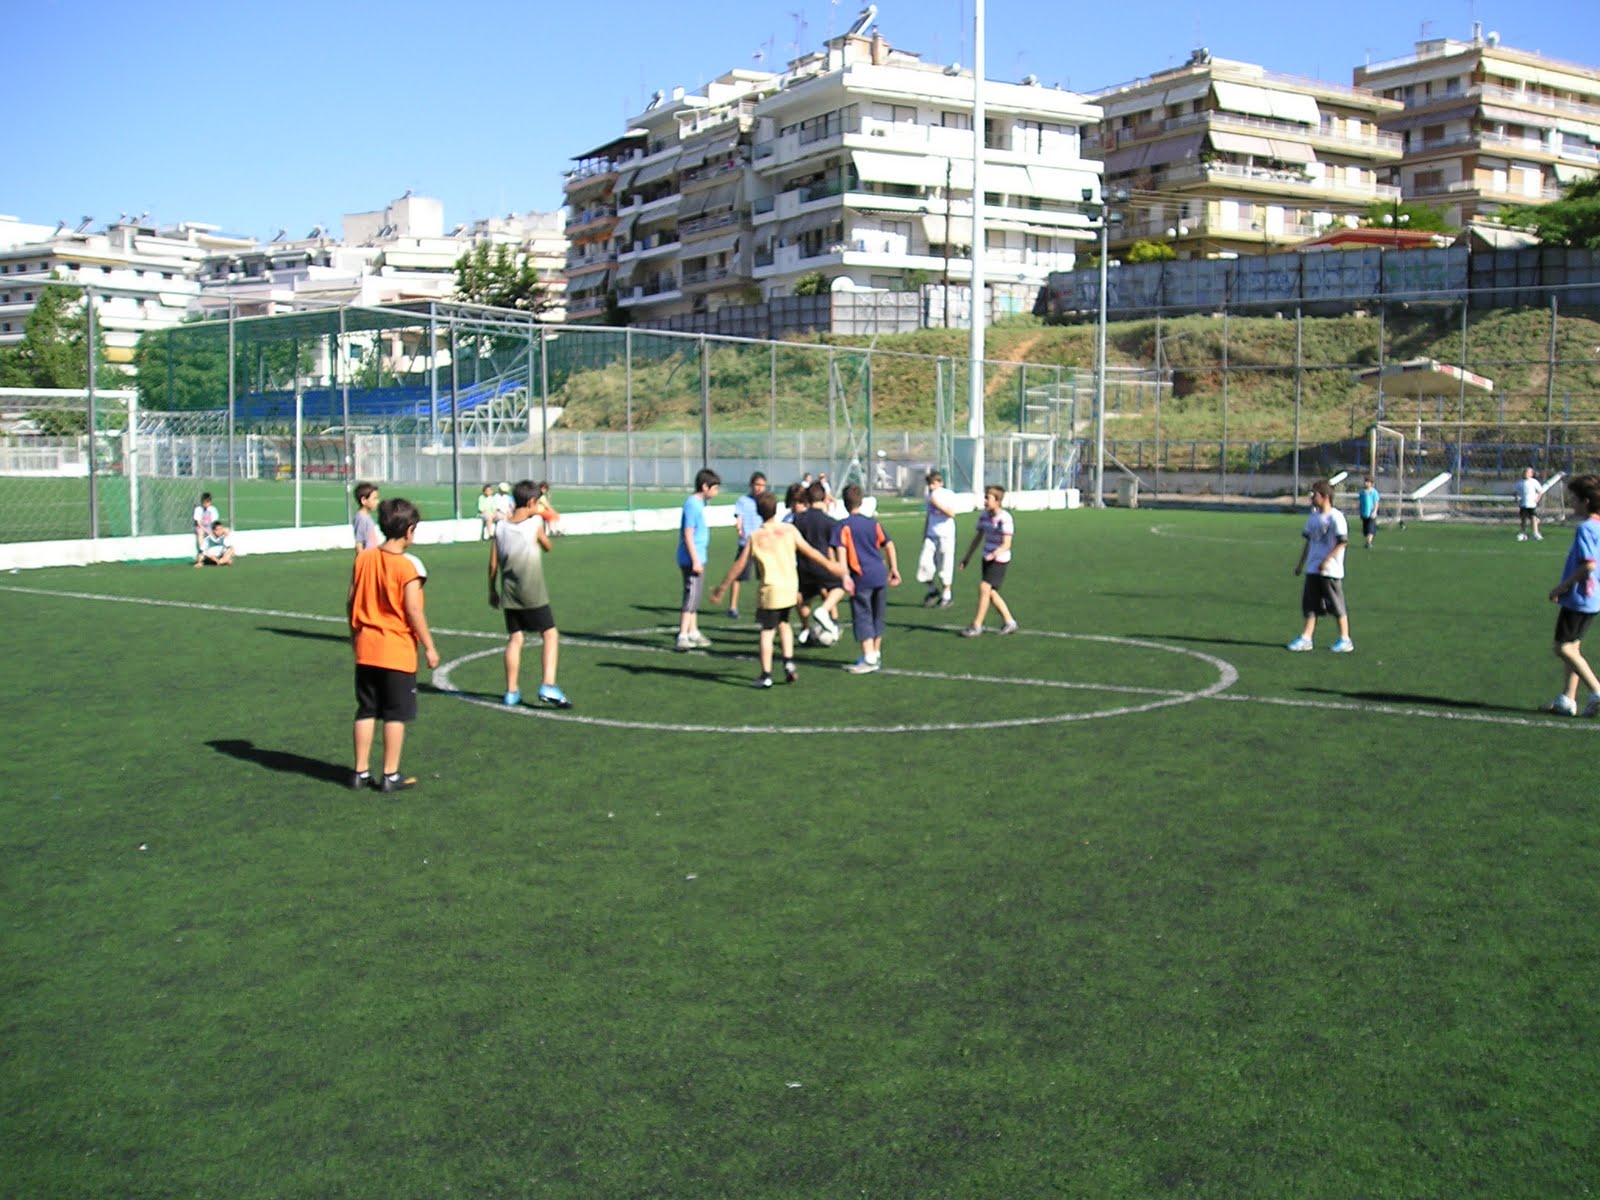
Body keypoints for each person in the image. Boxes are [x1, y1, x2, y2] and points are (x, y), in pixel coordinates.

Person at [711, 490, 851, 687]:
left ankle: (766, 674)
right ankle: (789, 664)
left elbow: (739, 566)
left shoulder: (756, 536)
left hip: (770, 590)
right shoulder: (789, 530)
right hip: (789, 588)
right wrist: (832, 567)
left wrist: (722, 587)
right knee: (784, 624)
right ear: (776, 509)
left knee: (767, 631)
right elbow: (811, 552)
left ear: (759, 512)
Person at [347, 497, 440, 793]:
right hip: (396, 651)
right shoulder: (406, 568)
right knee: (395, 714)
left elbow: (351, 601)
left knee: (365, 710)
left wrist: (354, 635)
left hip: (366, 647)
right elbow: (413, 610)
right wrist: (429, 645)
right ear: (410, 531)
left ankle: (360, 772)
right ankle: (390, 774)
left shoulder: (363, 559)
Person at [489, 480, 571, 710]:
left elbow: (493, 562)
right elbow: (548, 546)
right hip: (532, 591)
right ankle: (548, 684)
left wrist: (491, 590)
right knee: (550, 634)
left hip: (509, 592)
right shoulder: (534, 524)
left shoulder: (502, 527)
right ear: (532, 502)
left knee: (515, 638)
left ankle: (511, 691)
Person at [1540, 474, 1600, 716]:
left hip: (1580, 597)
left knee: (1562, 648)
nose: (1572, 503)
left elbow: (1588, 565)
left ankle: (1596, 690)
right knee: (1573, 648)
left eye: (1574, 499)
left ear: (1586, 502)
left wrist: (1561, 587)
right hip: (1594, 598)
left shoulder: (1586, 527)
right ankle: (1567, 699)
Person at [831, 483, 900, 673]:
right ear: (862, 501)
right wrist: (894, 568)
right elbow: (889, 544)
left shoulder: (842, 527)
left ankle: (869, 658)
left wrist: (845, 576)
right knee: (878, 614)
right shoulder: (873, 523)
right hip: (879, 573)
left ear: (844, 504)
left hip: (861, 577)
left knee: (862, 615)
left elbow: (841, 552)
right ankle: (875, 653)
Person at [1287, 479, 1353, 654]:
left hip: (1330, 571)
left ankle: (1345, 639)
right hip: (1313, 569)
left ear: (1324, 497)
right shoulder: (1313, 518)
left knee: (1336, 605)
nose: (1311, 498)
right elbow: (1308, 542)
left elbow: (1342, 542)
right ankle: (1306, 638)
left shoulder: (1336, 517)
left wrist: (1327, 560)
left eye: (1314, 494)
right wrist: (1301, 564)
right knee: (1310, 605)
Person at [791, 480, 846, 644]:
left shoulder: (798, 519)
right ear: (825, 498)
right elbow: (837, 546)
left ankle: (806, 629)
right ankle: (824, 611)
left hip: (804, 567)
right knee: (839, 586)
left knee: (803, 599)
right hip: (823, 565)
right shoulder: (831, 522)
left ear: (807, 499)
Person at [959, 485, 1019, 636]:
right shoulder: (984, 516)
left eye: (988, 498)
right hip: (986, 558)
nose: (985, 501)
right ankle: (1010, 622)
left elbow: (1007, 544)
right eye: (985, 497)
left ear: (997, 501)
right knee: (990, 593)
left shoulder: (1005, 518)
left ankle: (976, 625)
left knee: (984, 587)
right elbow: (977, 538)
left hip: (999, 559)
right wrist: (967, 558)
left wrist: (994, 554)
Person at [675, 468, 721, 650]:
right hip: (691, 559)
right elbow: (688, 534)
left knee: (695, 596)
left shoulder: (699, 504)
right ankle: (682, 635)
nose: (716, 492)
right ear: (704, 486)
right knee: (691, 597)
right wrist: (695, 560)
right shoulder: (692, 505)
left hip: (697, 557)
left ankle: (693, 631)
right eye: (715, 488)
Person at [727, 472, 767, 620]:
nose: (759, 488)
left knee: (764, 577)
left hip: (762, 544)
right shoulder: (743, 501)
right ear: (751, 485)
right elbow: (739, 517)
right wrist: (739, 528)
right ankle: (732, 607)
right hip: (746, 544)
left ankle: (762, 607)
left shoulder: (765, 501)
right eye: (757, 485)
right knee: (738, 575)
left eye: (762, 485)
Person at [918, 469, 959, 607]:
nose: (931, 486)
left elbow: (952, 513)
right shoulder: (929, 496)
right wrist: (924, 533)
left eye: (934, 483)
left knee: (945, 565)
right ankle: (933, 590)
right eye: (929, 483)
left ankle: (947, 596)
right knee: (924, 565)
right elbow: (929, 516)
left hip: (945, 535)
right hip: (931, 535)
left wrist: (937, 505)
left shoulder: (947, 495)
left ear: (940, 483)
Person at [1515, 467, 1544, 542]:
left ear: (1531, 474)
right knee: (1523, 519)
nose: (1526, 474)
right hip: (1523, 504)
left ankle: (1535, 533)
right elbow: (1516, 493)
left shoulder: (1534, 482)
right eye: (1525, 472)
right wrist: (1517, 498)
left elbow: (1540, 491)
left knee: (1533, 518)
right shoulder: (1520, 483)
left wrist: (1537, 499)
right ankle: (1523, 533)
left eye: (1528, 472)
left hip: (1531, 504)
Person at [352, 481, 383, 552]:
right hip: (367, 558)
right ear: (364, 500)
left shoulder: (366, 516)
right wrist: (362, 560)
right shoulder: (361, 518)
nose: (377, 501)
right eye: (374, 498)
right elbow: (359, 543)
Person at [192, 492, 219, 556]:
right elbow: (199, 524)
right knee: (200, 531)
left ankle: (224, 549)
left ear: (210, 502)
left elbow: (214, 523)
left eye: (208, 502)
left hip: (210, 528)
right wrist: (208, 531)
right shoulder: (198, 509)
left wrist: (213, 531)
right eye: (204, 502)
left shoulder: (213, 509)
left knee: (225, 530)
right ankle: (202, 552)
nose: (206, 504)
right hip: (202, 528)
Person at [1357, 476, 1380, 549]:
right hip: (1364, 513)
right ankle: (1368, 541)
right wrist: (1360, 512)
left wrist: (1375, 511)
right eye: (1365, 481)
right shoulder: (1362, 493)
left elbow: (1376, 503)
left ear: (1371, 483)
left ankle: (1369, 542)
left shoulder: (1374, 492)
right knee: (1366, 529)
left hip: (1371, 513)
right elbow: (1360, 503)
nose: (1365, 483)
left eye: (1367, 482)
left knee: (1371, 528)